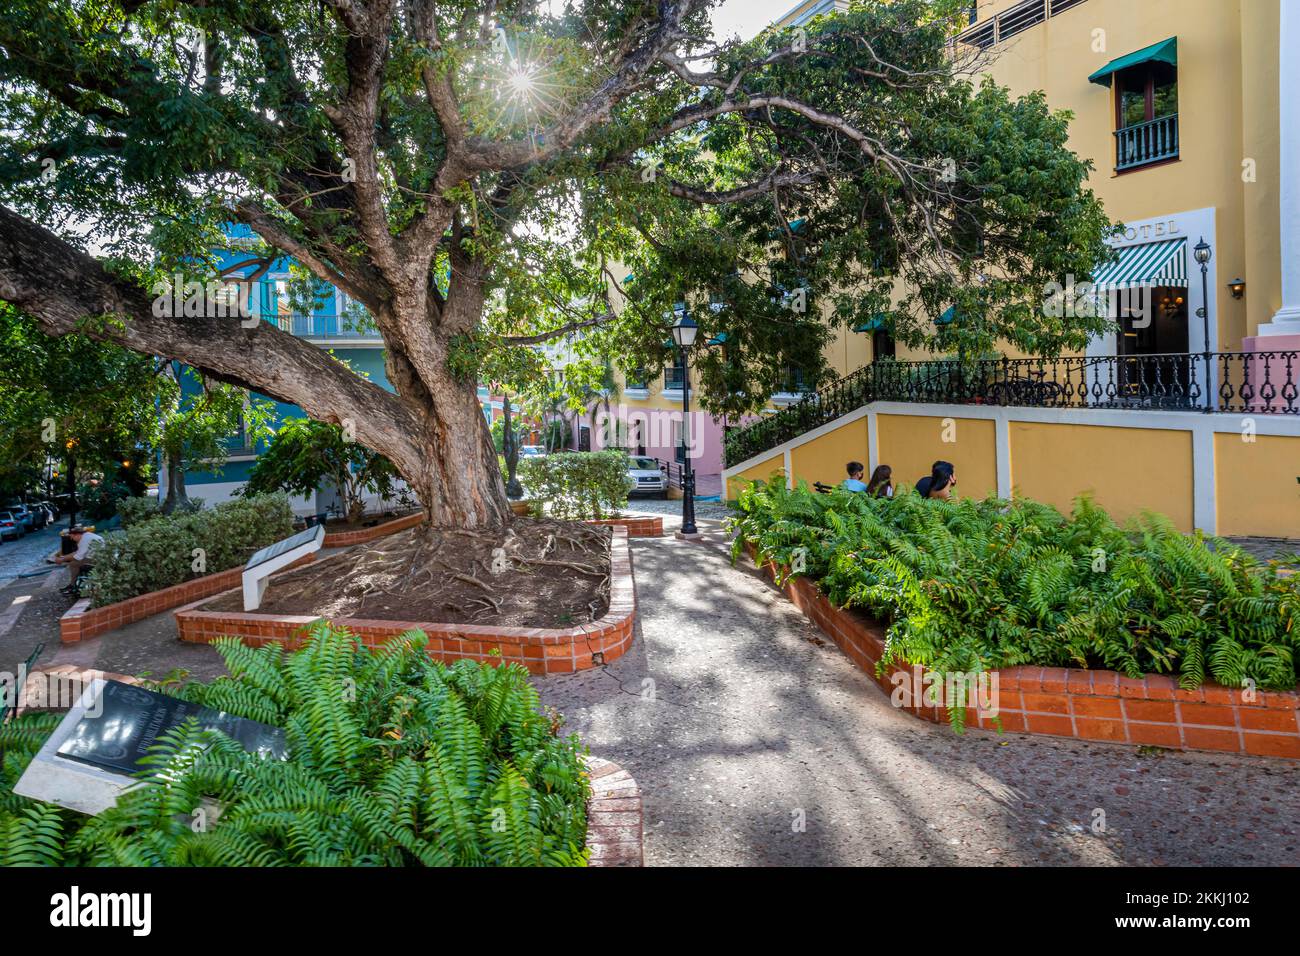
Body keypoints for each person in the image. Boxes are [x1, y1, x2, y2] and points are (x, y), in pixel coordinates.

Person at [54, 526, 104, 594]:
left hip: (99, 559)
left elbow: (78, 557)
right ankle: (74, 584)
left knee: (73, 564)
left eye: (72, 537)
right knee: (75, 562)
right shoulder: (87, 536)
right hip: (98, 557)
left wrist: (62, 559)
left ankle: (73, 585)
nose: (72, 539)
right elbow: (78, 552)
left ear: (77, 535)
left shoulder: (84, 539)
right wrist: (63, 557)